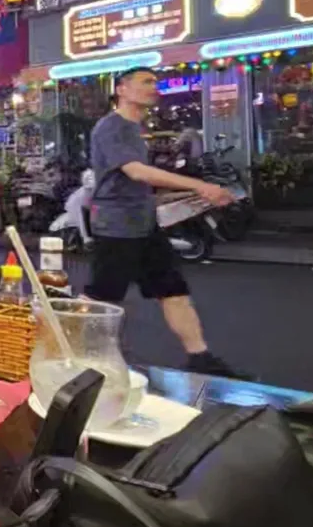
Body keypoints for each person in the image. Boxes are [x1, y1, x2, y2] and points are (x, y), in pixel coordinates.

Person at [86, 67, 240, 377]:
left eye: (155, 82)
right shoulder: (112, 127)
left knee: (173, 289)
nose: (153, 87)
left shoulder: (134, 129)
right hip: (117, 226)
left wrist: (179, 197)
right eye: (145, 82)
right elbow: (136, 172)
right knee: (101, 300)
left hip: (144, 224)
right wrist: (200, 186)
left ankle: (200, 357)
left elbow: (137, 182)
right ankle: (73, 355)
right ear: (122, 89)